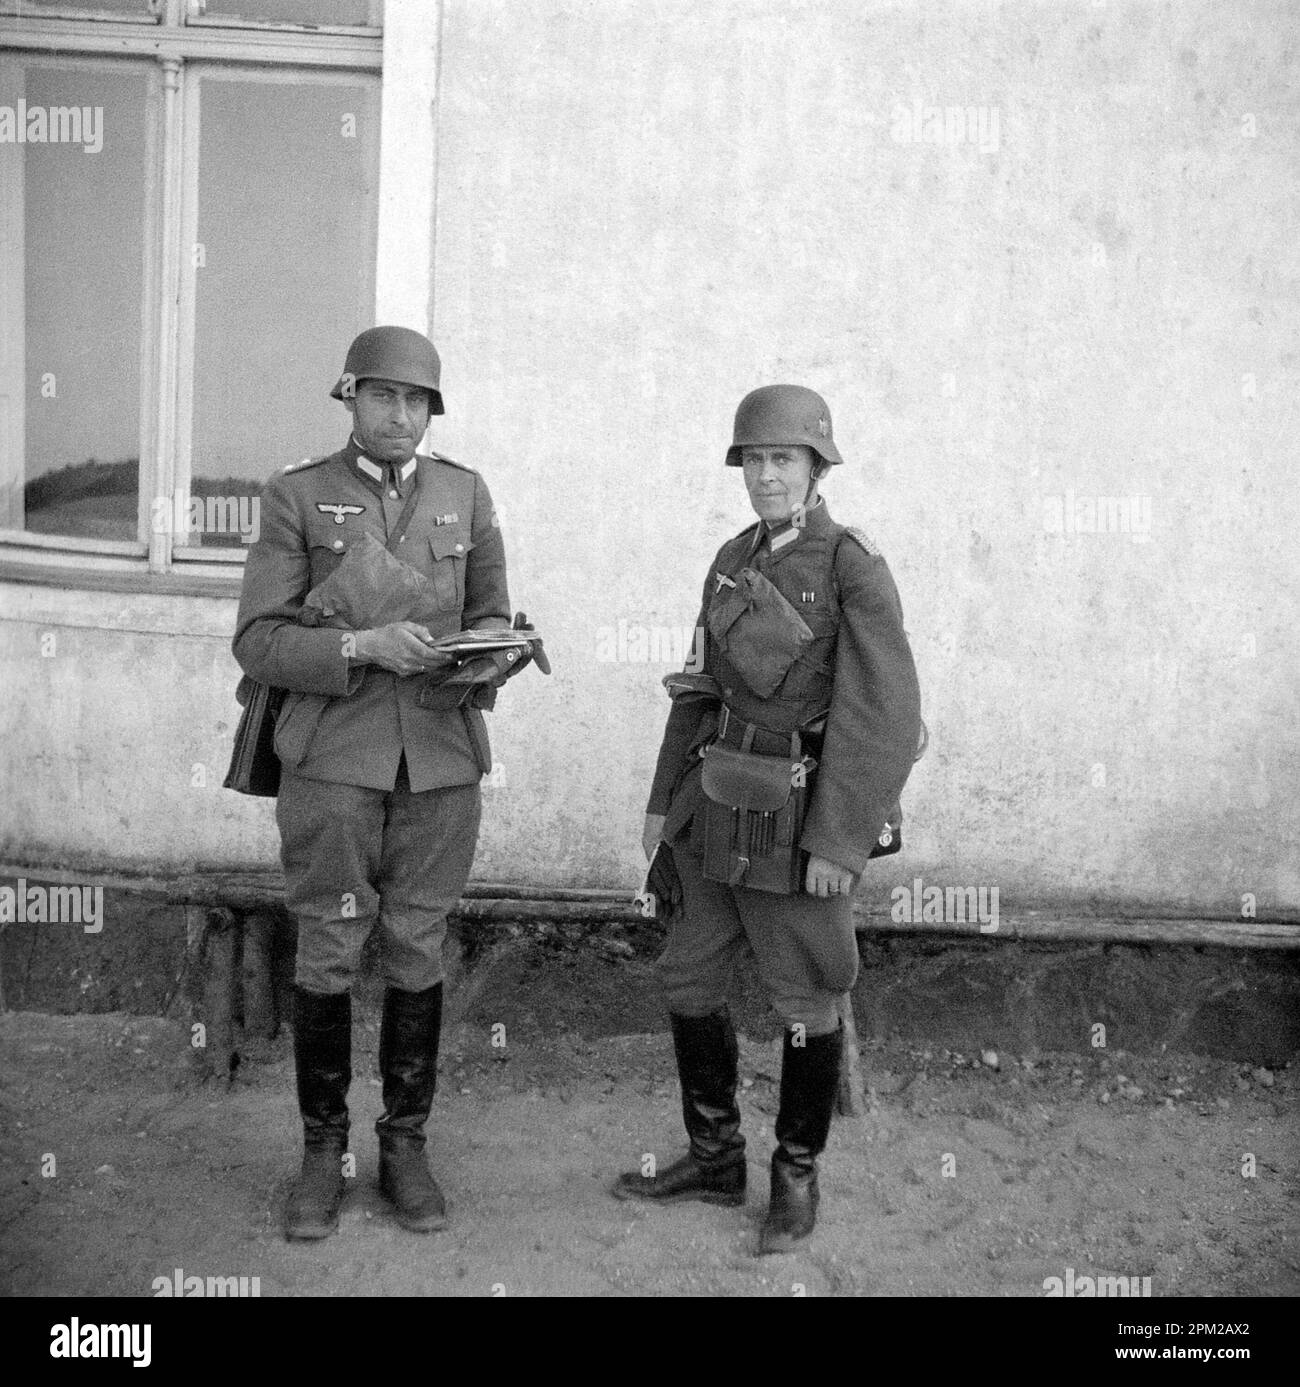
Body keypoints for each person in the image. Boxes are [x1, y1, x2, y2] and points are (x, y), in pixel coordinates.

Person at [614, 384, 922, 1254]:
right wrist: (657, 801)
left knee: (803, 1000)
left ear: (817, 466)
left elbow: (884, 716)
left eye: (783, 458)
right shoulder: (729, 557)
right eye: (753, 459)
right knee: (686, 974)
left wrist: (840, 840)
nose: (766, 475)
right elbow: (698, 689)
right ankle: (716, 1158)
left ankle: (795, 1174)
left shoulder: (850, 564)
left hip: (800, 815)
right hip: (713, 806)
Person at [232, 325, 511, 1240]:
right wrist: (361, 643)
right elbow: (259, 640)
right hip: (335, 763)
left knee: (419, 946)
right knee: (327, 946)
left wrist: (494, 652)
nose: (402, 414)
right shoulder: (297, 495)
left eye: (419, 399)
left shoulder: (464, 495)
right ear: (349, 398)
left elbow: (488, 613)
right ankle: (322, 1152)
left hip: (439, 763)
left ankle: (404, 1146)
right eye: (384, 395)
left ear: (433, 411)